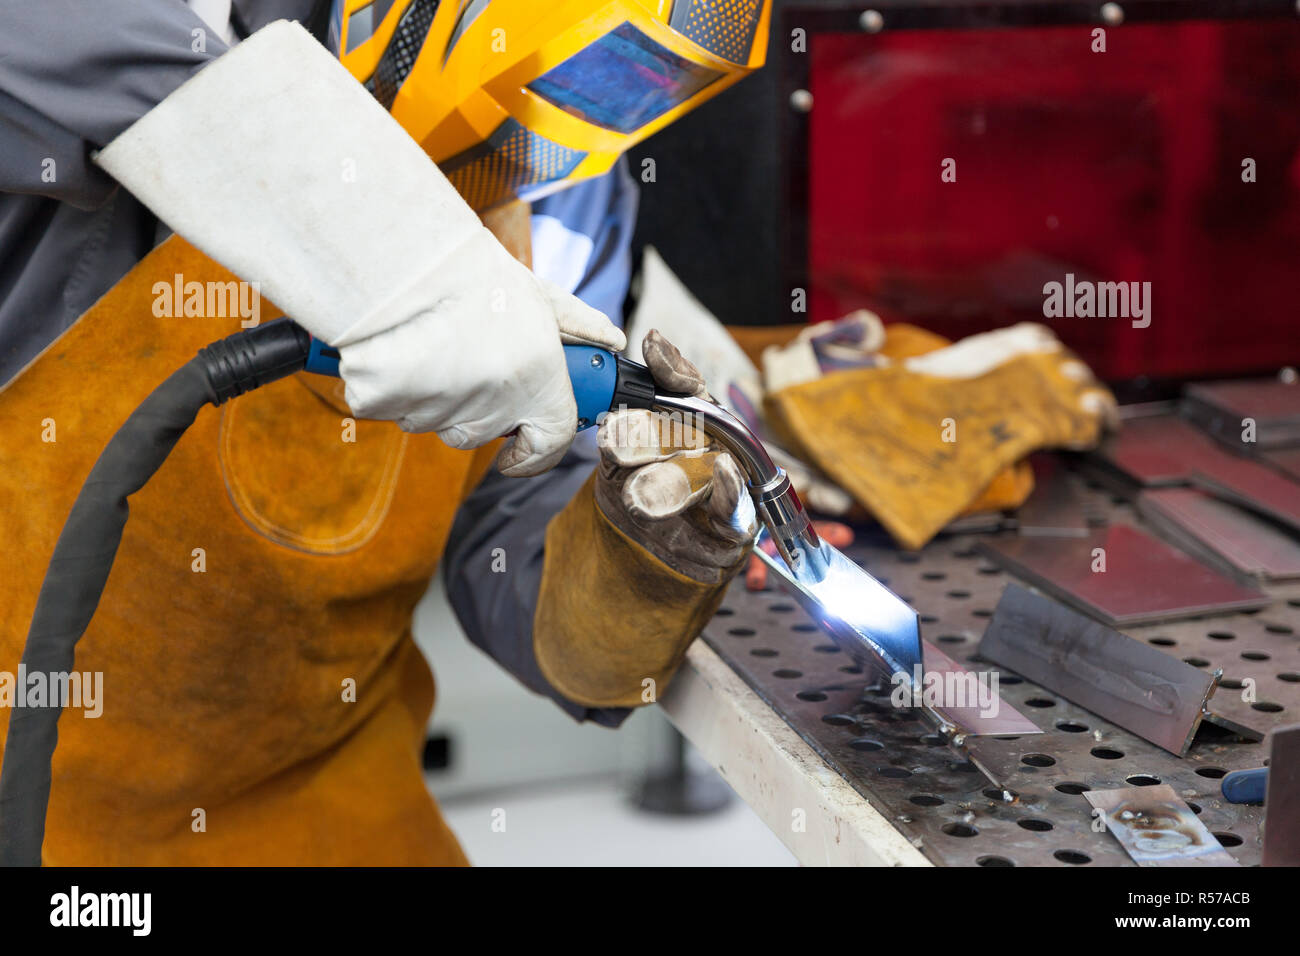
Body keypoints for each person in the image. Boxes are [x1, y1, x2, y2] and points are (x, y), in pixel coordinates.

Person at [0, 2, 754, 864]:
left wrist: (632, 561)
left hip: (344, 817)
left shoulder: (570, 191)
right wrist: (387, 241)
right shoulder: (165, 39)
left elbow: (509, 520)